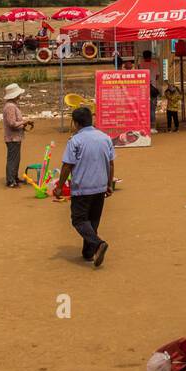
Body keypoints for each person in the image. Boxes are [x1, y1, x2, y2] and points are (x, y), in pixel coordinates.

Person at [52, 106, 115, 268]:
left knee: (79, 219)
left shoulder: (75, 140)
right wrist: (109, 184)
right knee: (92, 220)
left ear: (76, 123)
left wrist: (59, 187)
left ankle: (98, 243)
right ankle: (88, 253)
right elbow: (110, 163)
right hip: (100, 186)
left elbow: (67, 166)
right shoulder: (105, 138)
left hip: (82, 187)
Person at [2, 82, 32, 187]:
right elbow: (12, 123)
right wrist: (24, 122)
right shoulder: (10, 106)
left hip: (15, 137)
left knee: (16, 158)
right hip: (12, 137)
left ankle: (14, 177)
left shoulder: (12, 105)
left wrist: (23, 123)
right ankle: (11, 180)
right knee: (13, 159)